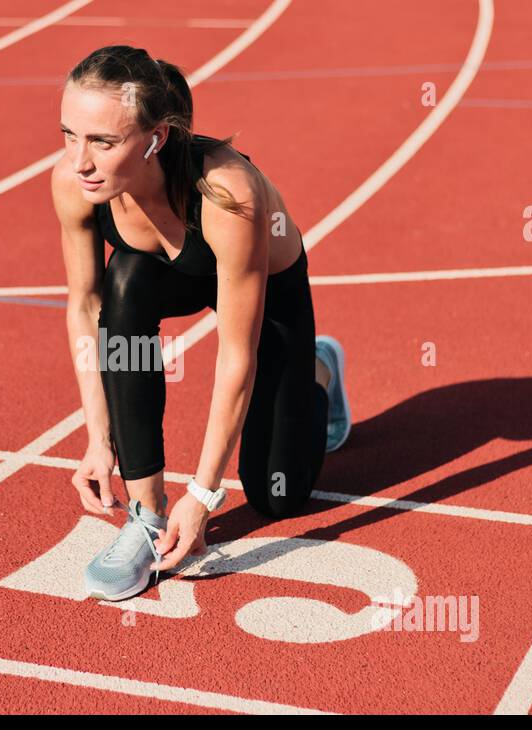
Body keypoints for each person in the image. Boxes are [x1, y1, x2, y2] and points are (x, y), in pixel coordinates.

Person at [49, 45, 351, 602]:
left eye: (102, 142)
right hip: (163, 274)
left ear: (155, 138)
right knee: (123, 288)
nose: (79, 160)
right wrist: (98, 438)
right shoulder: (74, 185)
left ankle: (318, 372)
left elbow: (237, 353)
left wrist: (205, 494)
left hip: (263, 285)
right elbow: (85, 308)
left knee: (277, 496)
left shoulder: (228, 194)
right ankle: (145, 515)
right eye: (70, 134)